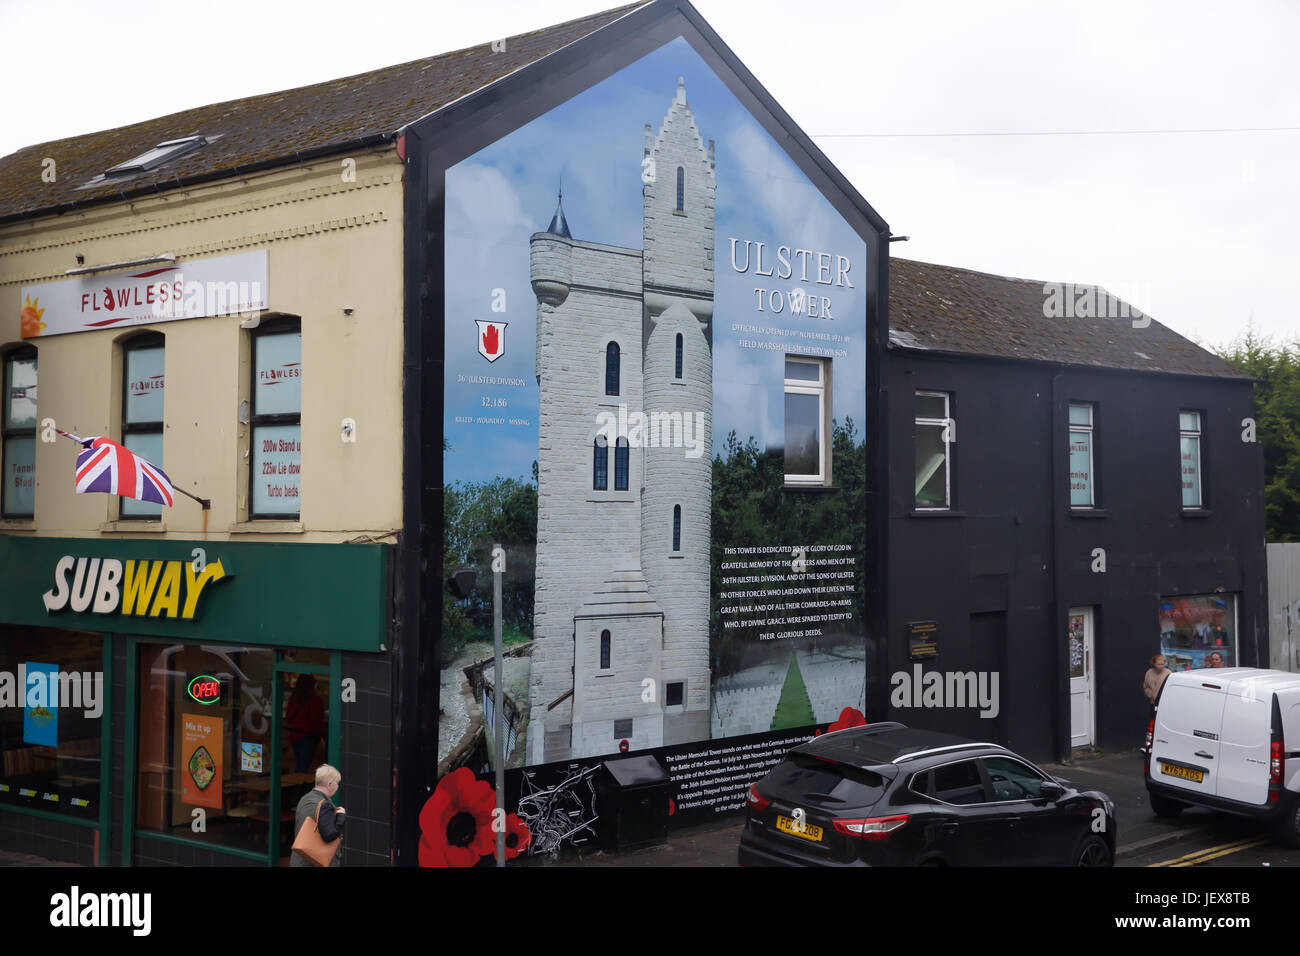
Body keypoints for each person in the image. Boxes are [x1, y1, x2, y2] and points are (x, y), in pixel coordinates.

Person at [292, 763, 345, 867]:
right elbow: (330, 835)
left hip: (300, 859)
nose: (337, 787)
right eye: (337, 783)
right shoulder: (325, 805)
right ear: (329, 785)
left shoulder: (305, 798)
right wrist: (341, 816)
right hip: (314, 862)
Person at [285, 674, 325, 773]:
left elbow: (288, 716)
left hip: (295, 734)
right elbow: (316, 720)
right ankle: (298, 786)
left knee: (299, 763)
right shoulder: (314, 700)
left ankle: (296, 784)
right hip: (308, 735)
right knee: (302, 766)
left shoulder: (294, 698)